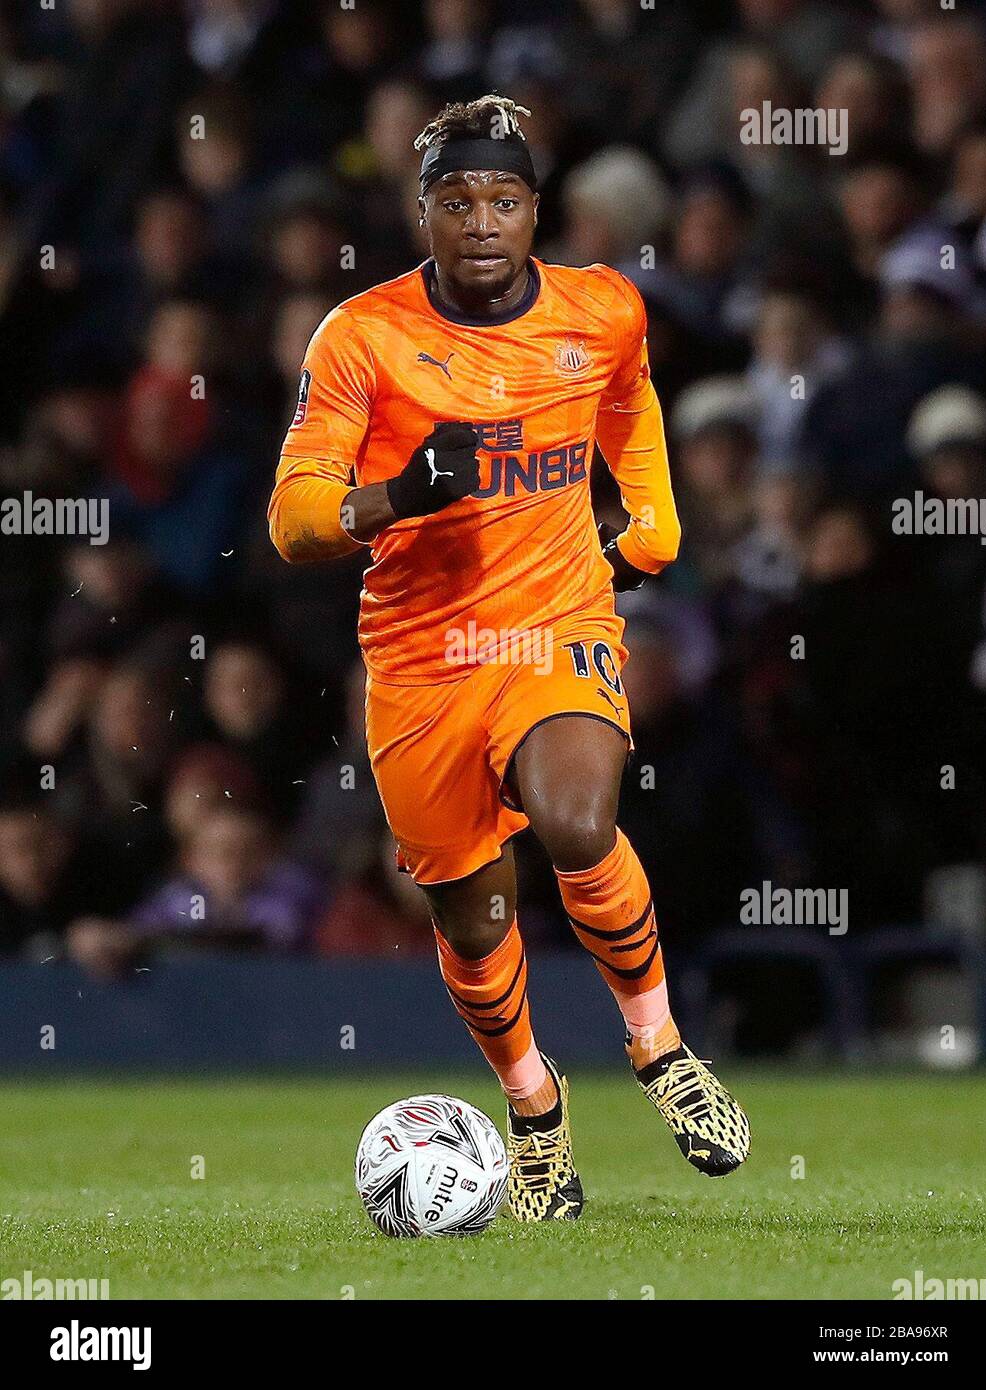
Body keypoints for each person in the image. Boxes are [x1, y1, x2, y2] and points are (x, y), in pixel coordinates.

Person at [268, 95, 750, 1223]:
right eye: (454, 201)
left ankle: (659, 1046)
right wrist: (396, 495)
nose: (479, 221)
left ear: (534, 210)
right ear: (421, 211)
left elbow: (627, 402)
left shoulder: (601, 309)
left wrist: (650, 524)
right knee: (472, 918)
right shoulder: (361, 336)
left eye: (501, 199)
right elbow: (293, 522)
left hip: (553, 621)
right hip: (420, 654)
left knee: (577, 822)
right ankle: (534, 1115)